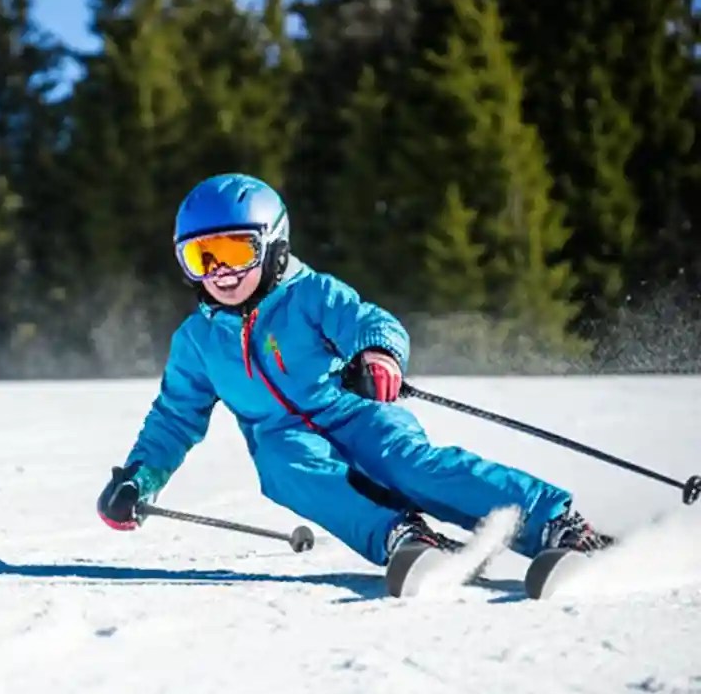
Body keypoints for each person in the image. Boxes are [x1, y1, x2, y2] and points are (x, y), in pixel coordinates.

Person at [96, 173, 612, 566]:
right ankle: (402, 537)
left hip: (355, 410)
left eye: (235, 250)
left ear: (273, 246)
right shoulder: (197, 342)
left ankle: (555, 524)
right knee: (282, 468)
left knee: (407, 466)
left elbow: (370, 322)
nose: (221, 271)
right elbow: (174, 419)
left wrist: (378, 356)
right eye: (201, 256)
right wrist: (139, 481)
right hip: (283, 435)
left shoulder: (311, 294)